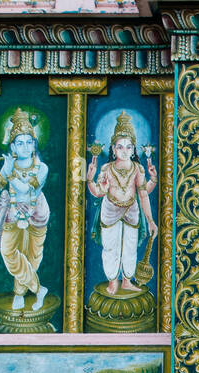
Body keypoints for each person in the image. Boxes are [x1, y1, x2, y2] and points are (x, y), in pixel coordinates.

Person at [86, 111, 158, 295]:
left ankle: (127, 280)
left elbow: (143, 195)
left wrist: (150, 220)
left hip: (132, 210)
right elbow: (98, 193)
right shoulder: (107, 168)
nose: (124, 151)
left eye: (128, 147)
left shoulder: (138, 169)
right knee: (110, 247)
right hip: (110, 210)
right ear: (113, 149)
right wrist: (89, 178)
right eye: (120, 147)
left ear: (134, 149)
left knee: (130, 247)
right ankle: (112, 281)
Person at [0, 111, 50, 312]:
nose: (24, 147)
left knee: (32, 258)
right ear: (12, 146)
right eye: (19, 143)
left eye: (28, 142)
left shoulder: (42, 168)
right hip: (13, 214)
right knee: (9, 252)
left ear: (34, 144)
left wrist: (9, 170)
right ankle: (39, 290)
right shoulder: (8, 165)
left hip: (37, 214)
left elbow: (26, 190)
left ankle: (20, 295)